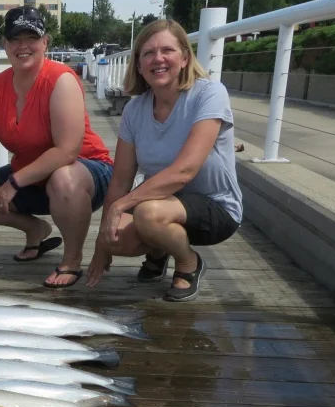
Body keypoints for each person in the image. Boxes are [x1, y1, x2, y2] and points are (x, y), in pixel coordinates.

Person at [86, 19, 243, 302]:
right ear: (138, 63)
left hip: (215, 206)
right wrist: (101, 246)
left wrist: (121, 207)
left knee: (147, 213)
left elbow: (185, 171)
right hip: (162, 203)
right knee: (116, 239)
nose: (158, 59)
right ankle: (158, 249)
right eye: (148, 53)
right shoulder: (134, 109)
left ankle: (188, 263)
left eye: (167, 50)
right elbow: (121, 179)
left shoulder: (209, 94)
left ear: (184, 58)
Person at [0, 6, 114, 289]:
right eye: (14, 38)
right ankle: (35, 230)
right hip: (30, 175)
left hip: (86, 172)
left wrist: (12, 182)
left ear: (45, 42)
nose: (23, 46)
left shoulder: (61, 79)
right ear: (5, 45)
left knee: (63, 178)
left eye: (31, 38)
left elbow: (67, 151)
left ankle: (72, 259)